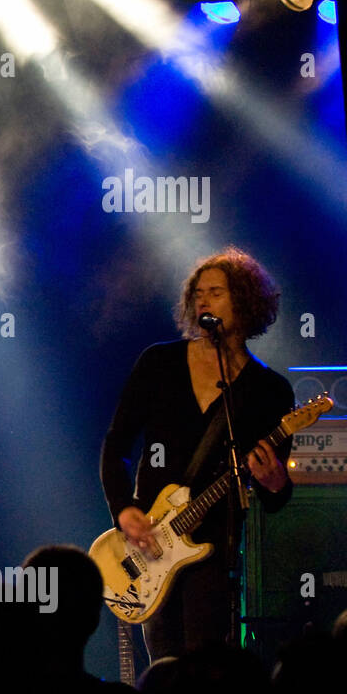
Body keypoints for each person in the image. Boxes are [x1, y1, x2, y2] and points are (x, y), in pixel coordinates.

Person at [100, 248, 293, 661]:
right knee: (164, 667)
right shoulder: (159, 362)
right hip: (152, 543)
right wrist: (123, 508)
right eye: (198, 292)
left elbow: (276, 495)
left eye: (217, 292)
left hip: (212, 550)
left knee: (203, 667)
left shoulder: (270, 391)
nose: (203, 300)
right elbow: (116, 444)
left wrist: (274, 481)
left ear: (244, 301)